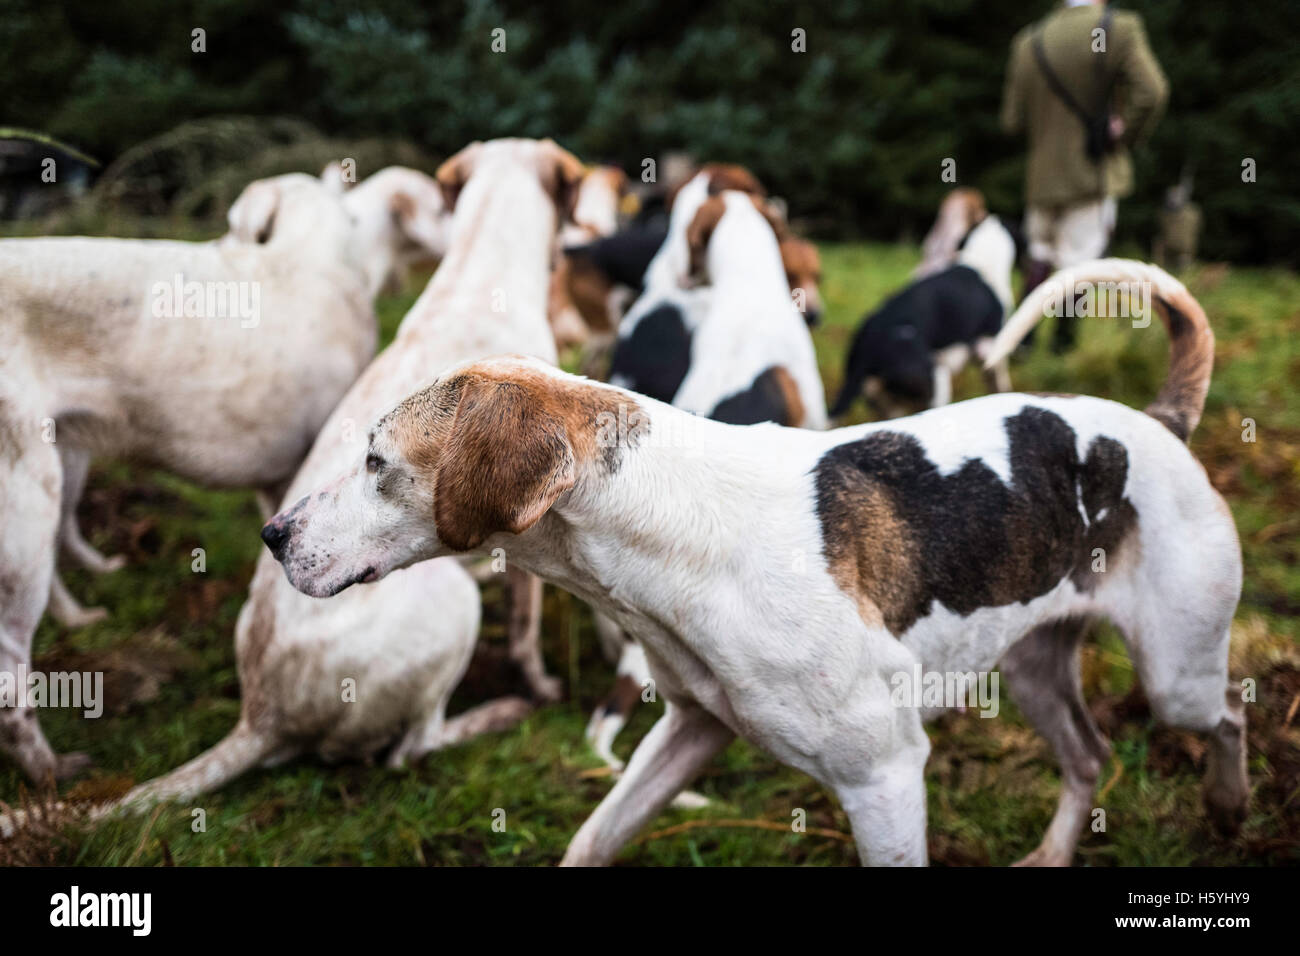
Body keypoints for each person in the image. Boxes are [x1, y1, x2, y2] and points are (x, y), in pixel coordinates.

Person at [1001, 0, 1168, 350]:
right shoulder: (1117, 28)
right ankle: (1062, 345)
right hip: (1091, 172)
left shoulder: (1027, 41)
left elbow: (1012, 121)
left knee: (1040, 255)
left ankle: (1023, 340)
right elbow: (1151, 92)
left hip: (1042, 176)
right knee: (1078, 262)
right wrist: (1122, 136)